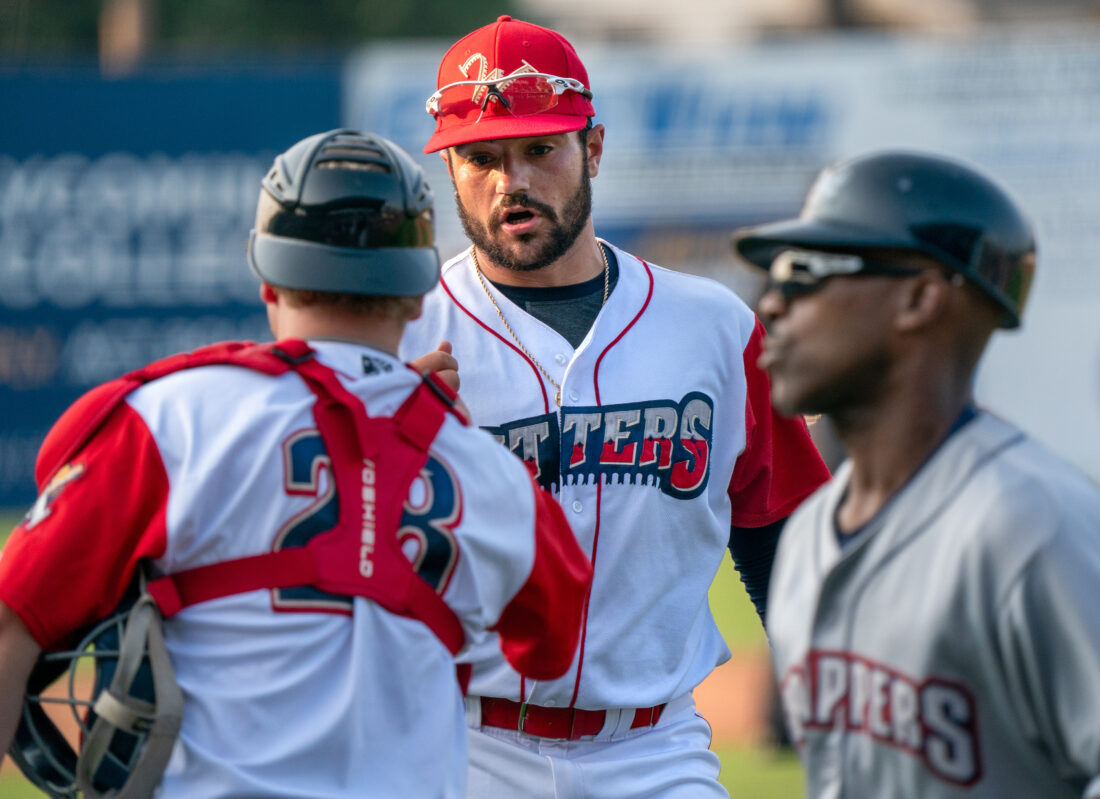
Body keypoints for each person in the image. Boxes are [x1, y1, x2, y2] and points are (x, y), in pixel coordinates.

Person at [0, 128, 593, 799]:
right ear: (416, 296)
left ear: (269, 282)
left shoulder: (171, 420)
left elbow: (12, 621)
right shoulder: (490, 475)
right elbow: (551, 647)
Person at [400, 15, 831, 798]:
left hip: (653, 751)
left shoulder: (713, 328)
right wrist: (384, 444)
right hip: (460, 746)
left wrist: (843, 716)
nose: (511, 182)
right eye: (481, 158)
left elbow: (783, 541)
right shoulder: (405, 337)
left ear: (592, 148)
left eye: (539, 149)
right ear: (450, 170)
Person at [732, 150, 1100, 798]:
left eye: (807, 273)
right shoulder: (811, 532)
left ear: (921, 297)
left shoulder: (1033, 526)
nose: (773, 304)